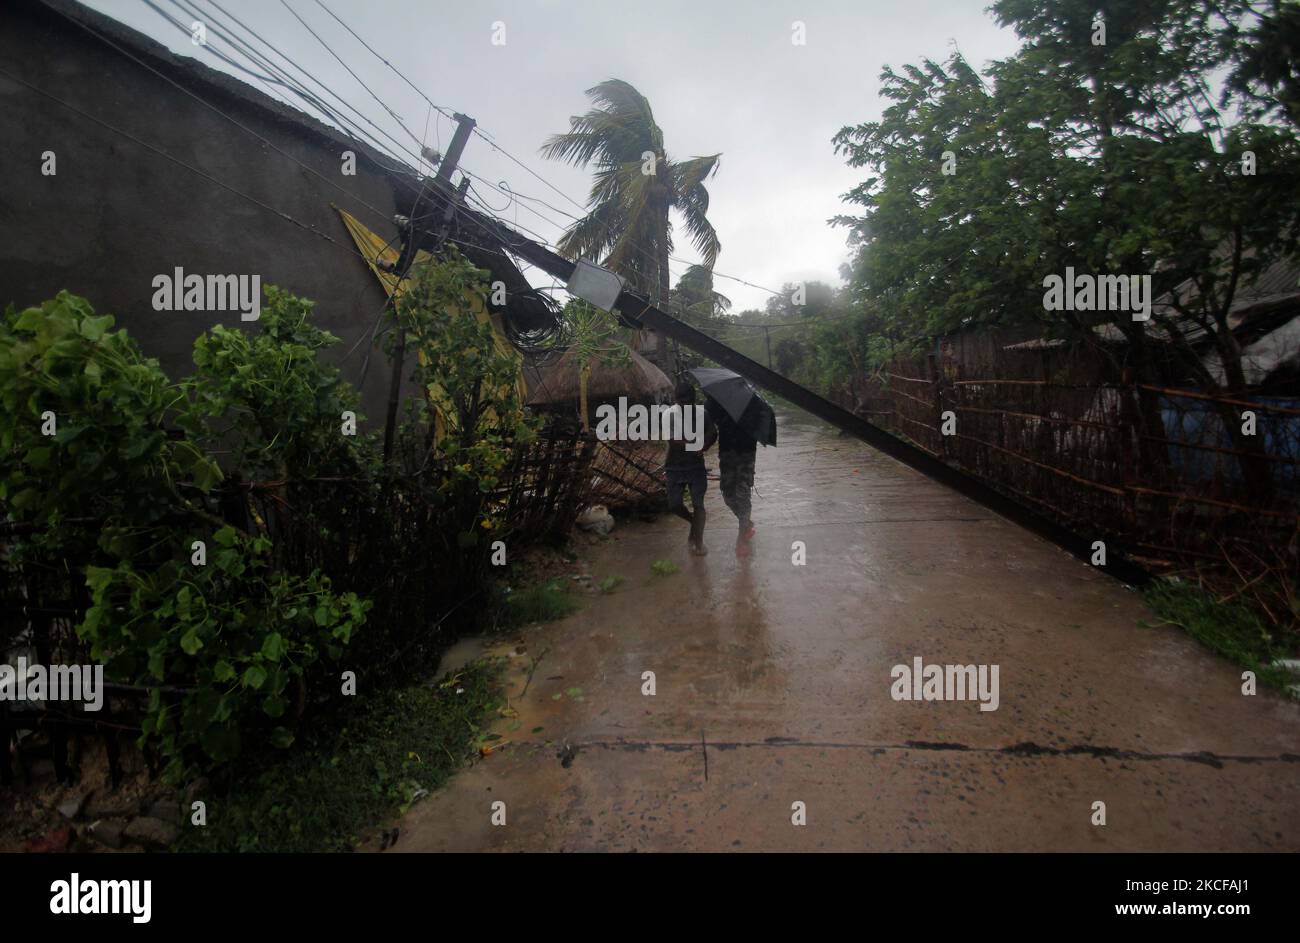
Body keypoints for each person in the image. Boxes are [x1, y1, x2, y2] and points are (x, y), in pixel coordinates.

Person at [664, 381, 716, 555]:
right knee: (674, 504)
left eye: (688, 403)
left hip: (695, 467)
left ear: (693, 401)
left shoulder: (703, 414)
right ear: (676, 400)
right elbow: (671, 439)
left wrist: (705, 446)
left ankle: (699, 542)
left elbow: (713, 433)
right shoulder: (669, 415)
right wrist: (693, 443)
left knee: (698, 503)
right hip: (674, 466)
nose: (685, 406)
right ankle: (694, 522)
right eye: (682, 403)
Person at [704, 394, 758, 556]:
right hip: (727, 454)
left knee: (742, 495)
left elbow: (760, 427)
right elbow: (709, 423)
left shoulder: (752, 402)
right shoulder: (716, 401)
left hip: (746, 455)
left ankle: (742, 539)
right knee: (728, 495)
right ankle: (746, 522)